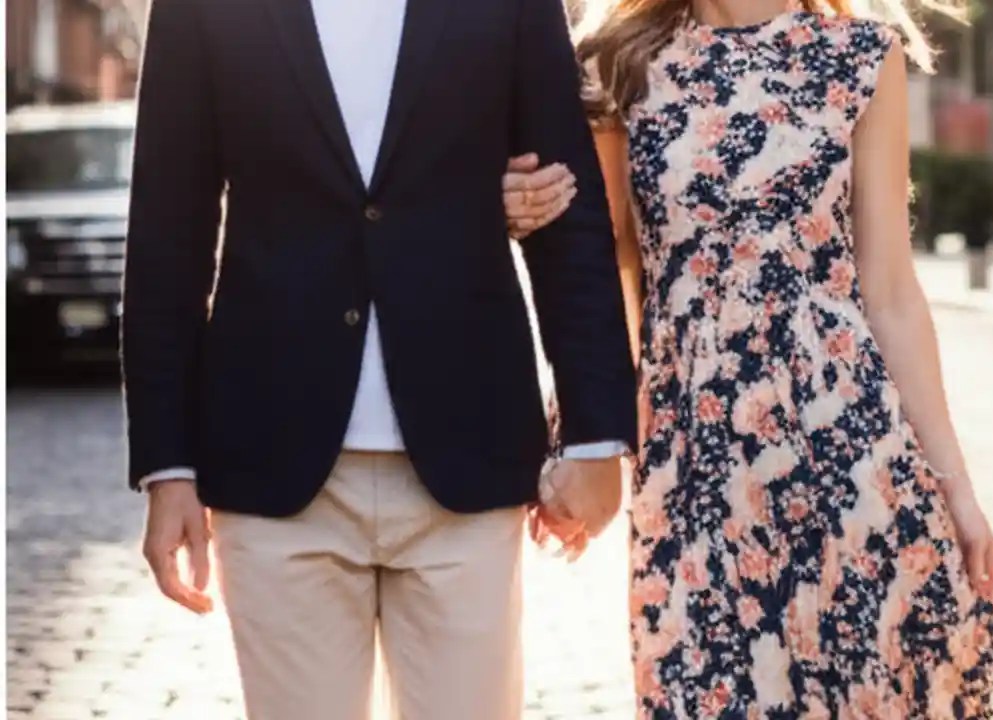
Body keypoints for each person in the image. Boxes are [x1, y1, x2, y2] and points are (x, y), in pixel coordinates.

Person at [503, 0, 993, 716]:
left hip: (853, 461)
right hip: (696, 473)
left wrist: (957, 489)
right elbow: (613, 266)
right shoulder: (619, 64)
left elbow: (891, 292)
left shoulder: (863, 56)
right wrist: (586, 436)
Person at [123, 0, 636, 716]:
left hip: (467, 453)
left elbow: (568, 206)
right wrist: (166, 463)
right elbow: (166, 228)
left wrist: (594, 434)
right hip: (272, 461)